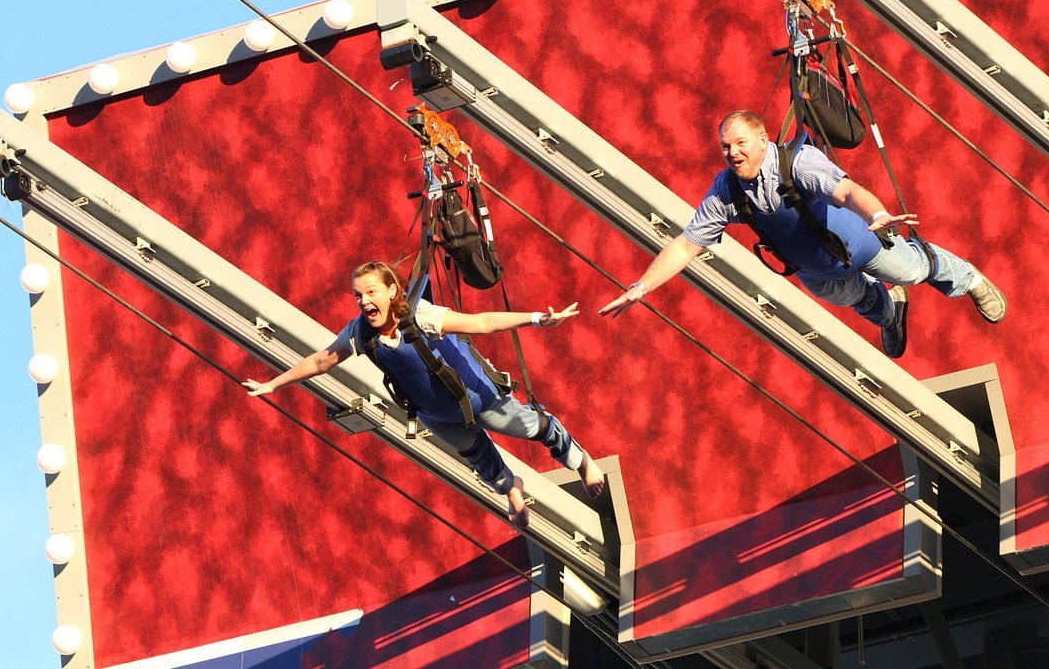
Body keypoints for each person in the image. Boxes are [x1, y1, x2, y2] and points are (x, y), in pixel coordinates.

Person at [599, 110, 1006, 357]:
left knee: (913, 270)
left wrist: (877, 213)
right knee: (862, 301)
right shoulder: (726, 190)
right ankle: (890, 309)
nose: (732, 152)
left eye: (740, 142)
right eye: (725, 146)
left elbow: (846, 191)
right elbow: (687, 243)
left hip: (862, 245)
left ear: (763, 139)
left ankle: (969, 279)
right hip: (817, 273)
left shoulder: (798, 163)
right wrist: (641, 287)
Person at [244, 260, 605, 528]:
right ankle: (512, 489)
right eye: (357, 295)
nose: (363, 301)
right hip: (437, 414)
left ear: (392, 291)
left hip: (478, 398)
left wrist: (537, 319)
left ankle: (582, 461)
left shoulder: (421, 316)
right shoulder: (359, 333)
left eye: (371, 292)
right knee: (480, 459)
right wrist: (273, 384)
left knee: (535, 428)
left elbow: (480, 323)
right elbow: (322, 360)